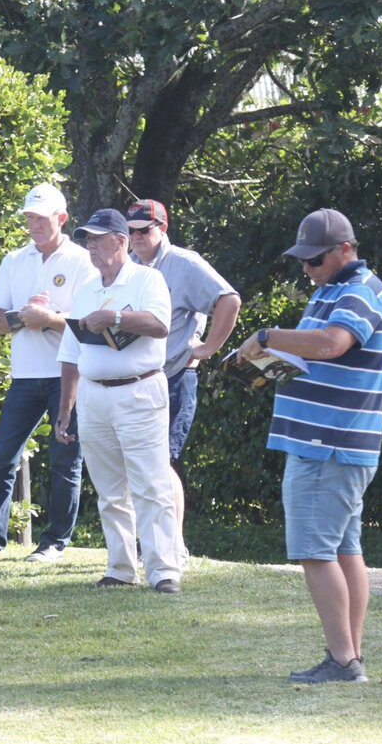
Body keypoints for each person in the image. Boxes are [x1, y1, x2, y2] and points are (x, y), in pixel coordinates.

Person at [236, 209, 382, 684]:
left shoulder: (359, 289)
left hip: (328, 444)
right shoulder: (332, 288)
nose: (307, 268)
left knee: (316, 552)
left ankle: (344, 663)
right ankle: (349, 656)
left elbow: (331, 344)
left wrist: (265, 337)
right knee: (345, 551)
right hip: (331, 441)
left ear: (347, 249)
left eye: (316, 259)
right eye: (303, 260)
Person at [53, 208, 182, 593]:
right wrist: (64, 409)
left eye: (97, 239)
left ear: (120, 241)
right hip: (94, 394)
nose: (90, 246)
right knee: (109, 489)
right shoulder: (87, 287)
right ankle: (121, 568)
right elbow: (70, 351)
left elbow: (161, 325)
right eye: (87, 240)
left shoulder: (148, 279)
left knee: (150, 485)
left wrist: (116, 318)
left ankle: (164, 572)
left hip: (140, 390)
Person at [0, 182, 96, 564]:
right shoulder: (14, 260)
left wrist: (49, 319)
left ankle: (55, 541)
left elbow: (89, 325)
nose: (34, 225)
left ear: (61, 218)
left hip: (67, 374)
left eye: (41, 218)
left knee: (65, 460)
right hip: (25, 376)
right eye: (29, 218)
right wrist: (25, 319)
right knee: (3, 458)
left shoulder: (82, 261)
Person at [126, 199, 241, 563]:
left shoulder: (185, 263)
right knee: (140, 465)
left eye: (145, 230)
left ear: (163, 228)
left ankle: (173, 546)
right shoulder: (127, 267)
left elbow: (229, 300)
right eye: (131, 231)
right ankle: (148, 546)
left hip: (174, 376)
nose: (137, 237)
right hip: (134, 380)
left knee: (164, 463)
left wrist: (208, 348)